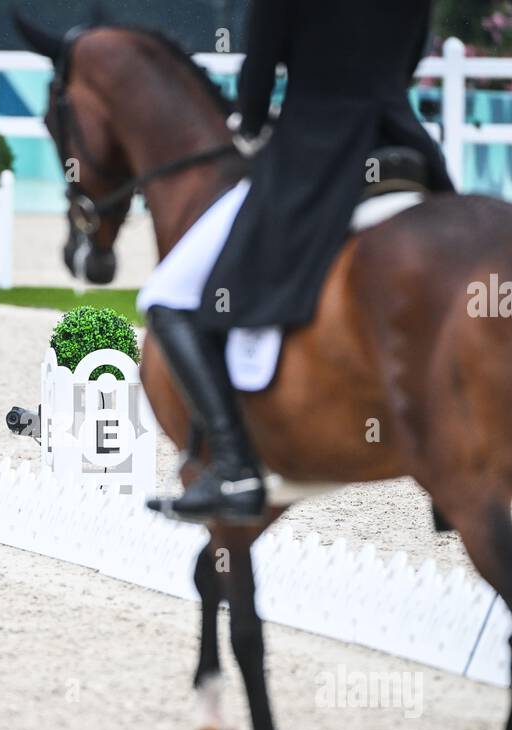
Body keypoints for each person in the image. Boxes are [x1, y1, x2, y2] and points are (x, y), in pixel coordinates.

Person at [145, 0, 455, 524]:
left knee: (167, 296)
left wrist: (249, 121)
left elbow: (259, 73)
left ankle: (235, 465)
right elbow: (405, 64)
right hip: (404, 145)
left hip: (316, 151)